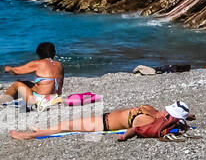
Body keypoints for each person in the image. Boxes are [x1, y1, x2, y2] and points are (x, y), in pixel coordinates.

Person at [10, 101, 194, 142]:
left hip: (103, 124)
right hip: (104, 117)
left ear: (168, 116)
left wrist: (123, 137)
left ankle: (29, 136)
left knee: (68, 126)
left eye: (167, 111)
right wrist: (187, 117)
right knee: (68, 123)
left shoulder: (147, 120)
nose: (164, 110)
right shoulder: (154, 114)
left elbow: (134, 131)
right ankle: (40, 130)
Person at [3, 43, 64, 107]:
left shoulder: (38, 63)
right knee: (27, 83)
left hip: (40, 100)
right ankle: (9, 99)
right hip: (55, 97)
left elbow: (16, 71)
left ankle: (2, 100)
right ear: (54, 53)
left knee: (17, 84)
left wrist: (8, 69)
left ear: (39, 54)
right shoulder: (59, 65)